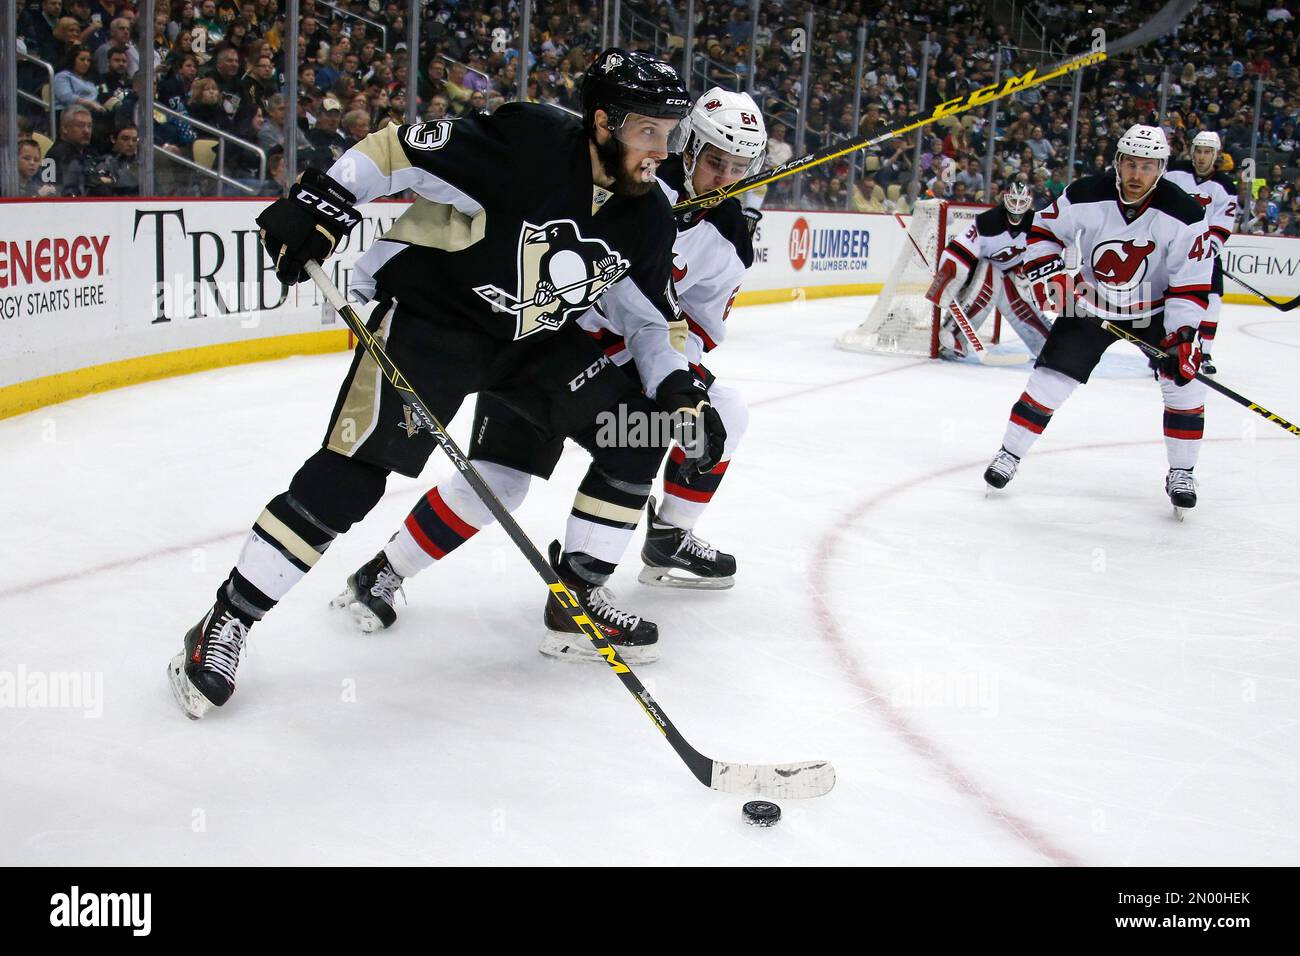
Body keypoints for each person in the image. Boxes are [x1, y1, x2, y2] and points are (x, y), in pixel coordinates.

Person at [166, 49, 713, 718]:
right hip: (435, 322)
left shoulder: (648, 213)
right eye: (648, 131)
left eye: (670, 131)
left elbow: (651, 320)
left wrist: (681, 391)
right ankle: (226, 621)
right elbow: (395, 148)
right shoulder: (530, 140)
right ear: (603, 121)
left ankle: (575, 601)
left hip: (533, 342)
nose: (663, 149)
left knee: (641, 432)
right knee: (350, 478)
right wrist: (327, 200)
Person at [332, 88, 765, 663]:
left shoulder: (731, 235)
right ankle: (384, 572)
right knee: (498, 481)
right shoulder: (631, 178)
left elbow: (696, 327)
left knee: (712, 417)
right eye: (715, 162)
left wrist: (668, 374)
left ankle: (645, 553)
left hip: (630, 361)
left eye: (739, 169)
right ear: (686, 147)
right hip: (546, 347)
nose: (723, 179)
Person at [982, 125, 1215, 514]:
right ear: (1118, 162)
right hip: (1090, 302)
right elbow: (1041, 231)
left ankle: (1182, 471)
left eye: (1147, 166)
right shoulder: (1085, 194)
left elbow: (1190, 284)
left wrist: (1182, 335)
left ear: (1160, 168)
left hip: (1153, 309)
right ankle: (1009, 454)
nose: (1137, 175)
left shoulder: (1185, 214)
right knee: (1048, 380)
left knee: (1185, 387)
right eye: (1131, 164)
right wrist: (1052, 275)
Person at [926, 181, 1053, 359]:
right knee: (987, 287)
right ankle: (952, 334)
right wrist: (945, 280)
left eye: (1021, 202)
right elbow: (958, 251)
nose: (1016, 207)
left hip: (1011, 269)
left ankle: (1046, 344)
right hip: (979, 269)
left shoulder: (1037, 224)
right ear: (1004, 199)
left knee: (1019, 302)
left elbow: (1048, 248)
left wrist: (1030, 272)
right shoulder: (987, 222)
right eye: (1013, 201)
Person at [1163, 131, 1237, 375]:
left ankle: (1204, 352)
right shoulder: (1174, 172)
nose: (1202, 156)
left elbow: (1223, 223)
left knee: (1212, 302)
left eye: (1208, 152)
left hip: (1204, 253)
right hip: (1170, 249)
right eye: (1199, 151)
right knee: (1165, 301)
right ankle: (1166, 350)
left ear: (1215, 155)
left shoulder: (1225, 186)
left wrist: (1209, 249)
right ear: (1192, 151)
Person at [45, 105, 98, 195]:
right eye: (81, 126)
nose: (87, 131)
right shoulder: (59, 154)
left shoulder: (90, 152)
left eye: (89, 126)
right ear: (64, 128)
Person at [86, 122, 139, 195]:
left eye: (134, 140)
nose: (131, 144)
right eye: (125, 139)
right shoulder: (103, 163)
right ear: (113, 139)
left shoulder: (142, 165)